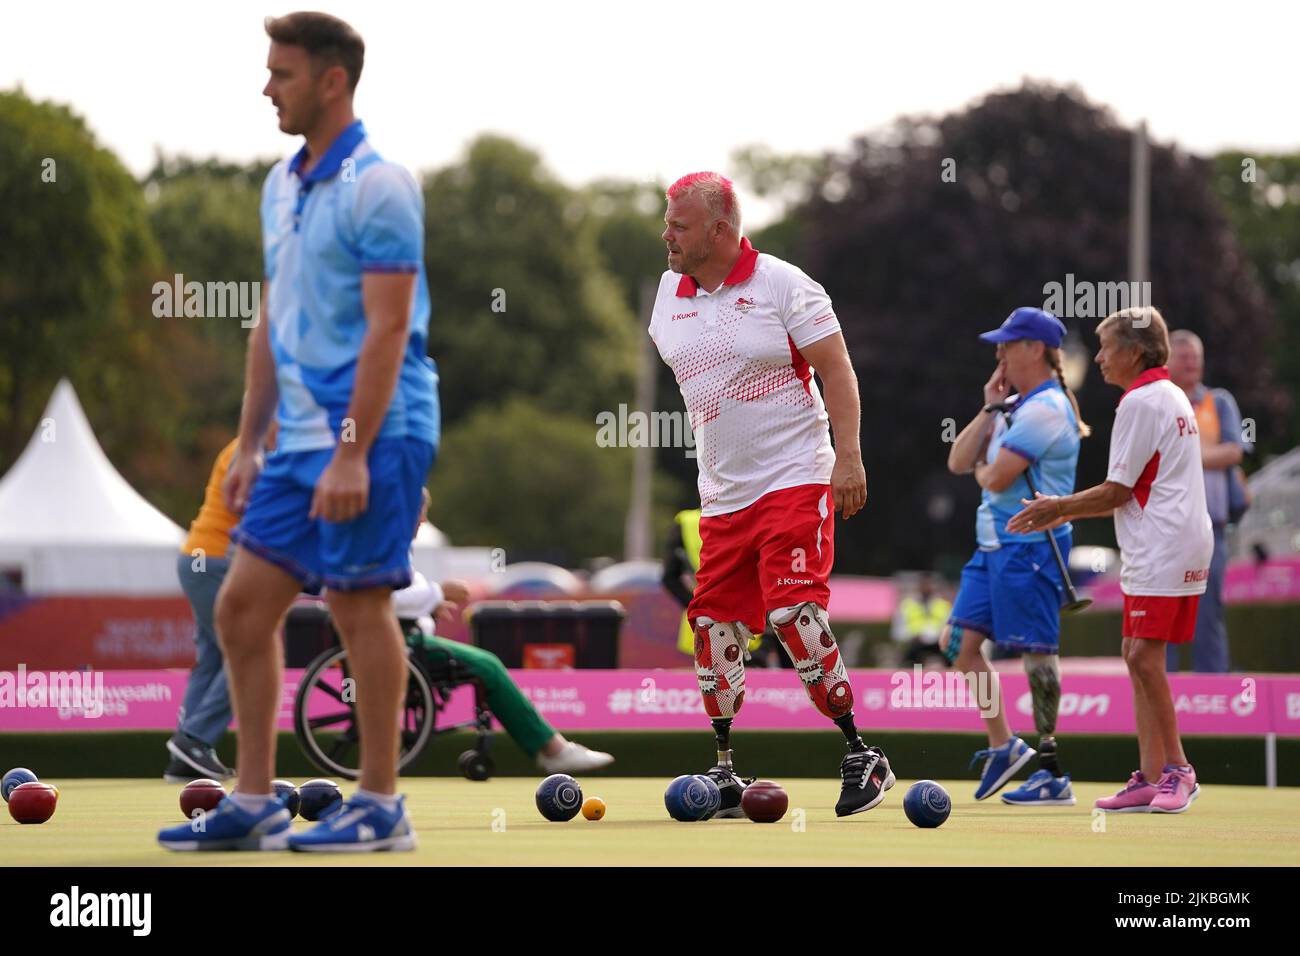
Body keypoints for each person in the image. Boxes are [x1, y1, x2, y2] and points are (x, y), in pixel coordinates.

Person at [159, 11, 437, 852]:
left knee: (357, 605)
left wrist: (352, 449)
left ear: (331, 80)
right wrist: (248, 444)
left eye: (282, 73)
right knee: (242, 609)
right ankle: (251, 798)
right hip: (296, 439)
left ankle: (382, 805)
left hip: (375, 432)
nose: (267, 87)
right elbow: (269, 321)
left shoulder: (384, 186)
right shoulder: (279, 186)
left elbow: (387, 330)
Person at [649, 171, 891, 818]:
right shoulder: (667, 294)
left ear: (720, 229)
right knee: (711, 629)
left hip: (795, 476)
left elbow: (838, 368)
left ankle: (862, 753)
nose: (665, 234)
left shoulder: (785, 284)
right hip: (723, 497)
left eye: (678, 224)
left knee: (792, 616)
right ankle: (725, 769)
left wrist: (849, 457)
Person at [1010, 307, 1212, 814]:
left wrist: (1056, 507)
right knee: (1135, 651)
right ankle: (1148, 776)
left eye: (1105, 346)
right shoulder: (1167, 395)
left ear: (1134, 351)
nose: (1097, 357)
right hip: (1170, 540)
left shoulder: (1142, 401)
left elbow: (1117, 491)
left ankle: (1178, 771)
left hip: (1163, 543)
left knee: (1143, 656)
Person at [941, 308, 1088, 806]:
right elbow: (959, 461)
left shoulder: (1045, 409)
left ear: (1034, 349)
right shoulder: (1013, 405)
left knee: (1038, 653)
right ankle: (1005, 746)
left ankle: (1052, 770)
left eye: (1008, 343)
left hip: (1033, 549)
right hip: (995, 546)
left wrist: (984, 466)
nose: (999, 352)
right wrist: (988, 408)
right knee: (957, 644)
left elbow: (995, 477)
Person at [397, 492, 614, 772]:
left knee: (486, 663)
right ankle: (552, 749)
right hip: (399, 643)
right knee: (488, 665)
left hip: (401, 637)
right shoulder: (384, 545)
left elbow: (395, 594)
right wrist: (438, 592)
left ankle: (553, 748)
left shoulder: (392, 546)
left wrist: (430, 602)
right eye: (418, 512)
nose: (423, 520)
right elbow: (381, 597)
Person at [1165, 330, 1247, 673]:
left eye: (1195, 358)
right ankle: (1162, 692)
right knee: (1164, 616)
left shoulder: (1219, 401)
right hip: (1168, 529)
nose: (1192, 364)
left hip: (1210, 527)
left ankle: (1213, 692)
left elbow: (1235, 450)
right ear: (1168, 361)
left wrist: (1185, 455)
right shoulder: (1160, 401)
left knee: (1208, 613)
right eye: (1184, 357)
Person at [165, 439, 240, 783]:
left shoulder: (246, 446)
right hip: (215, 562)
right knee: (246, 651)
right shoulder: (254, 450)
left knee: (213, 656)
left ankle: (187, 757)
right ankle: (194, 739)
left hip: (201, 559)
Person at [891, 573, 952, 669]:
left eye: (929, 584)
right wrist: (911, 636)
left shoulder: (943, 605)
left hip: (938, 644)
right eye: (924, 584)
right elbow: (898, 632)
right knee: (910, 662)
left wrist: (940, 635)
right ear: (918, 587)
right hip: (915, 644)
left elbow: (950, 629)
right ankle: (914, 679)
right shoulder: (907, 605)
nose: (926, 587)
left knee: (952, 657)